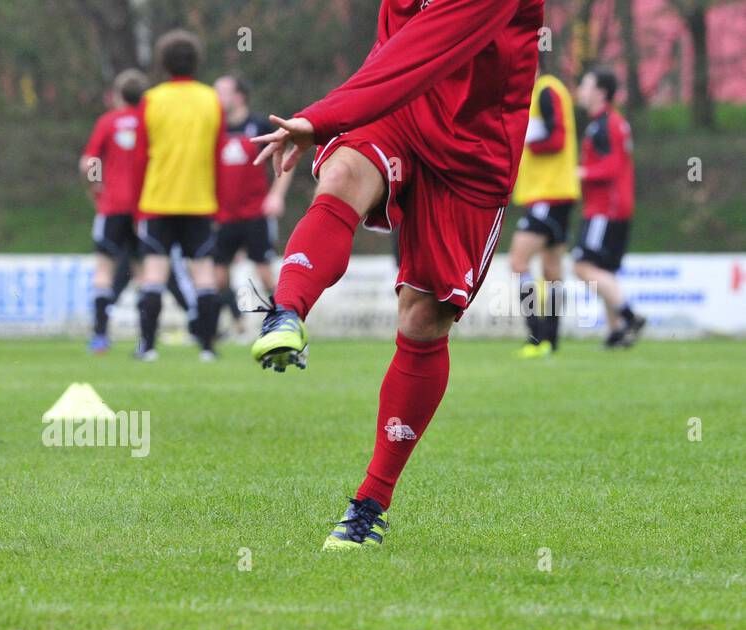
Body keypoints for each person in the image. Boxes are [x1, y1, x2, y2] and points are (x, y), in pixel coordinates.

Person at [250, 0, 543, 549]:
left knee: (423, 321)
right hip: (398, 111)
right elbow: (394, 51)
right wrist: (336, 117)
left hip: (474, 145)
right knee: (341, 173)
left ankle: (370, 503)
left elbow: (421, 50)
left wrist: (323, 115)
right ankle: (284, 310)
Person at [132, 30, 225, 362]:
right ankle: (208, 347)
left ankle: (147, 346)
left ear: (163, 62)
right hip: (200, 200)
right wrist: (220, 202)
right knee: (204, 274)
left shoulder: (152, 99)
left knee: (153, 273)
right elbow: (218, 154)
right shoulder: (211, 99)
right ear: (196, 62)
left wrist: (135, 204)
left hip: (158, 199)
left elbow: (140, 156)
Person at [509, 63, 580, 358]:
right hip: (555, 193)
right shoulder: (542, 92)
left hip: (547, 193)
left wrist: (524, 137)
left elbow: (556, 138)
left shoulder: (546, 90)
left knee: (518, 261)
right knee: (552, 270)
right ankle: (550, 340)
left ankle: (535, 336)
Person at [212, 74, 292, 333]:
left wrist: (276, 195)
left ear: (239, 96)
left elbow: (288, 154)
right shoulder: (214, 128)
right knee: (218, 277)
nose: (216, 98)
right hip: (224, 215)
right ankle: (238, 325)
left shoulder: (258, 125)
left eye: (221, 92)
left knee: (265, 273)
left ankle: (283, 322)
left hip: (255, 213)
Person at [571, 68, 644, 349]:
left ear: (600, 92)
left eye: (586, 84)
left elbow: (611, 167)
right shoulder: (610, 123)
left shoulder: (605, 125)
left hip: (606, 208)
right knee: (605, 270)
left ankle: (630, 316)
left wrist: (580, 173)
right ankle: (616, 332)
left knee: (582, 266)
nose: (581, 89)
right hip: (615, 207)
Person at [80, 69, 148, 354]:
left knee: (104, 269)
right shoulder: (149, 123)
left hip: (111, 206)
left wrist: (96, 186)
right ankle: (146, 340)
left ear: (119, 95)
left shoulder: (107, 122)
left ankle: (100, 336)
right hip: (144, 208)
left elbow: (89, 163)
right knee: (144, 271)